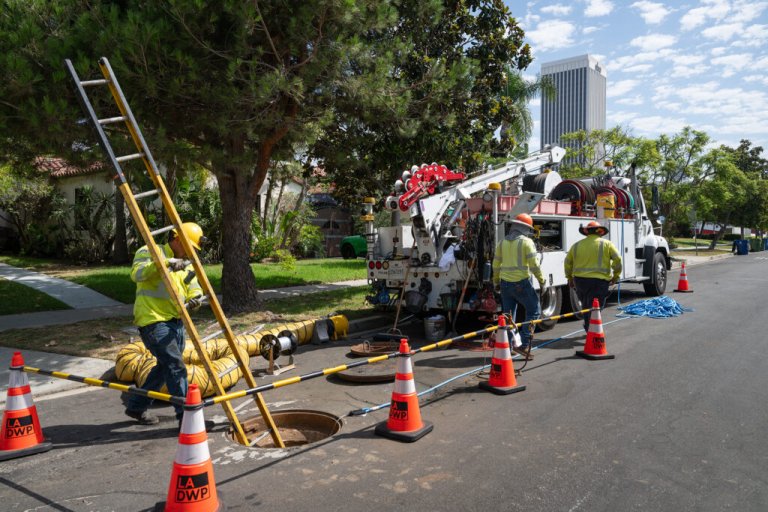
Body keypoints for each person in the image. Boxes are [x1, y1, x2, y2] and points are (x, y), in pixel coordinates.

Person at [124, 222, 206, 426]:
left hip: (175, 322)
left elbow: (193, 286)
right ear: (177, 239)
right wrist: (166, 263)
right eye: (189, 247)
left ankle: (136, 406)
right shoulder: (150, 251)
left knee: (165, 367)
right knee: (175, 367)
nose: (190, 253)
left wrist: (196, 298)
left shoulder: (186, 263)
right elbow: (137, 274)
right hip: (153, 320)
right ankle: (186, 418)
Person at [492, 213, 545, 359]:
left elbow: (496, 265)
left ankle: (507, 347)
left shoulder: (502, 243)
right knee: (534, 311)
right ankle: (523, 345)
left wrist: (496, 282)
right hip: (521, 283)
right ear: (525, 228)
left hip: (505, 284)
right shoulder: (526, 242)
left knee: (509, 317)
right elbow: (534, 265)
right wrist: (542, 281)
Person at [564, 221, 622, 332]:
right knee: (596, 307)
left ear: (587, 232)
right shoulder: (607, 244)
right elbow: (617, 260)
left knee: (586, 306)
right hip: (599, 282)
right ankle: (592, 331)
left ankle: (588, 328)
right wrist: (616, 276)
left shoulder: (576, 246)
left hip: (580, 281)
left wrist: (570, 278)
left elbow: (567, 262)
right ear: (600, 231)